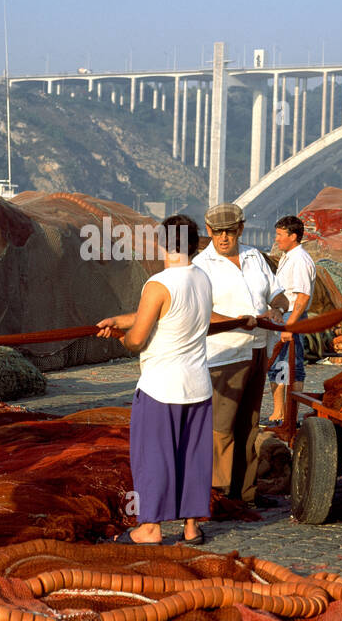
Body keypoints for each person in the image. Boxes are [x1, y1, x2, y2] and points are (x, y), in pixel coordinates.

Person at [97, 214, 214, 545]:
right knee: (193, 457)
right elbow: (170, 314)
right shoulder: (202, 278)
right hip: (198, 386)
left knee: (154, 457)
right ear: (193, 244)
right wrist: (123, 319)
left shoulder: (158, 284)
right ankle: (191, 527)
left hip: (161, 387)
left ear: (163, 243)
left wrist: (121, 335)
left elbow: (137, 340)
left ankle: (149, 528)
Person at [193, 202, 287, 505]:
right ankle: (218, 494)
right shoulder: (200, 266)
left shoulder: (254, 257)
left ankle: (245, 492)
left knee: (249, 422)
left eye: (229, 232)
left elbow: (279, 293)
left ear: (240, 229)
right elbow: (201, 313)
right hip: (224, 355)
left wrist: (277, 308)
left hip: (258, 349)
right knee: (221, 426)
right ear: (208, 231)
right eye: (217, 232)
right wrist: (238, 322)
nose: (223, 238)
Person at [266, 214, 316, 425]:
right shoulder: (289, 257)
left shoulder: (300, 260)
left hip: (291, 317)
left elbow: (302, 296)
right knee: (280, 364)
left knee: (290, 365)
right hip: (283, 316)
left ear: (293, 236)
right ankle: (281, 411)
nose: (276, 239)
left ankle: (287, 413)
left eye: (280, 235)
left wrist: (290, 325)